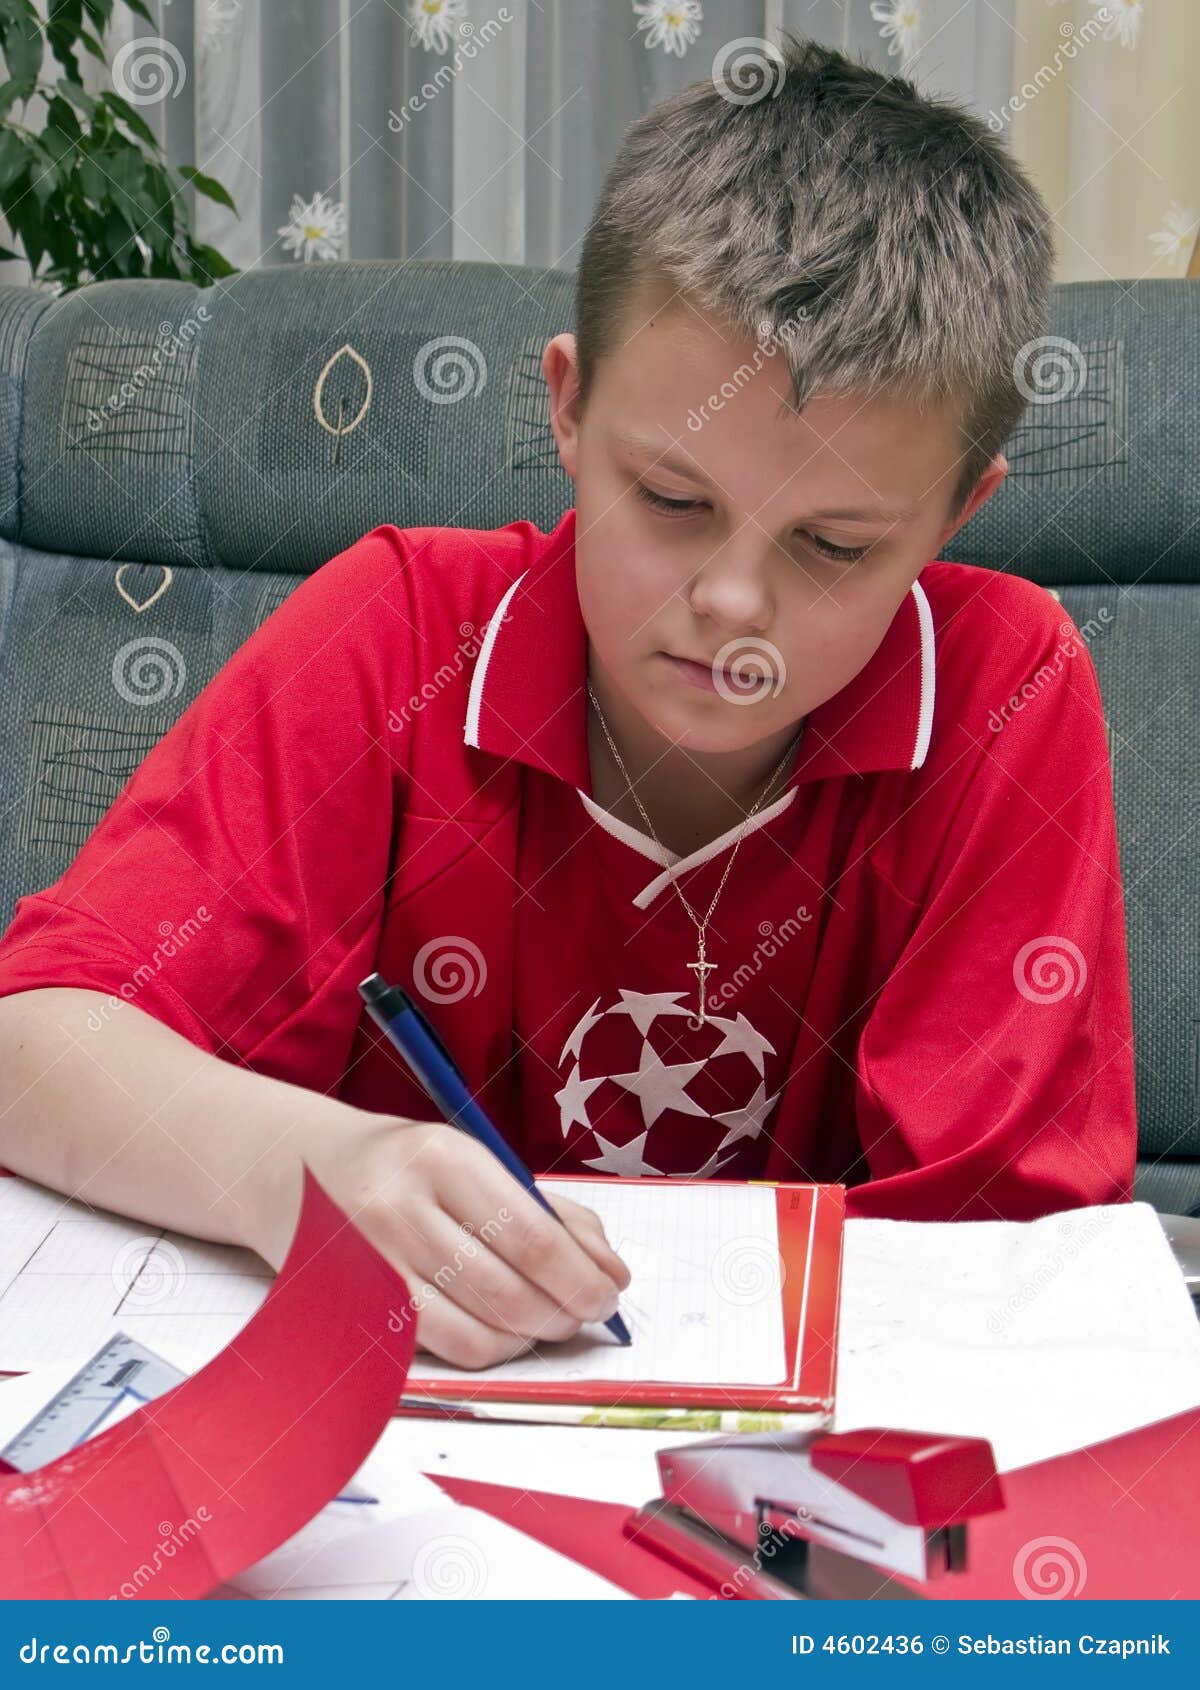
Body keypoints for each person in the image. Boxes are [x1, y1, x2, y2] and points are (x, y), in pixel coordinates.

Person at [0, 35, 1136, 1369]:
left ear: (955, 516)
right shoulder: (397, 633)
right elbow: (37, 1038)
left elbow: (1015, 1257)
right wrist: (297, 1159)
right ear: (567, 407)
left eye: (832, 547)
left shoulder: (1007, 687)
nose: (729, 603)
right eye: (670, 502)